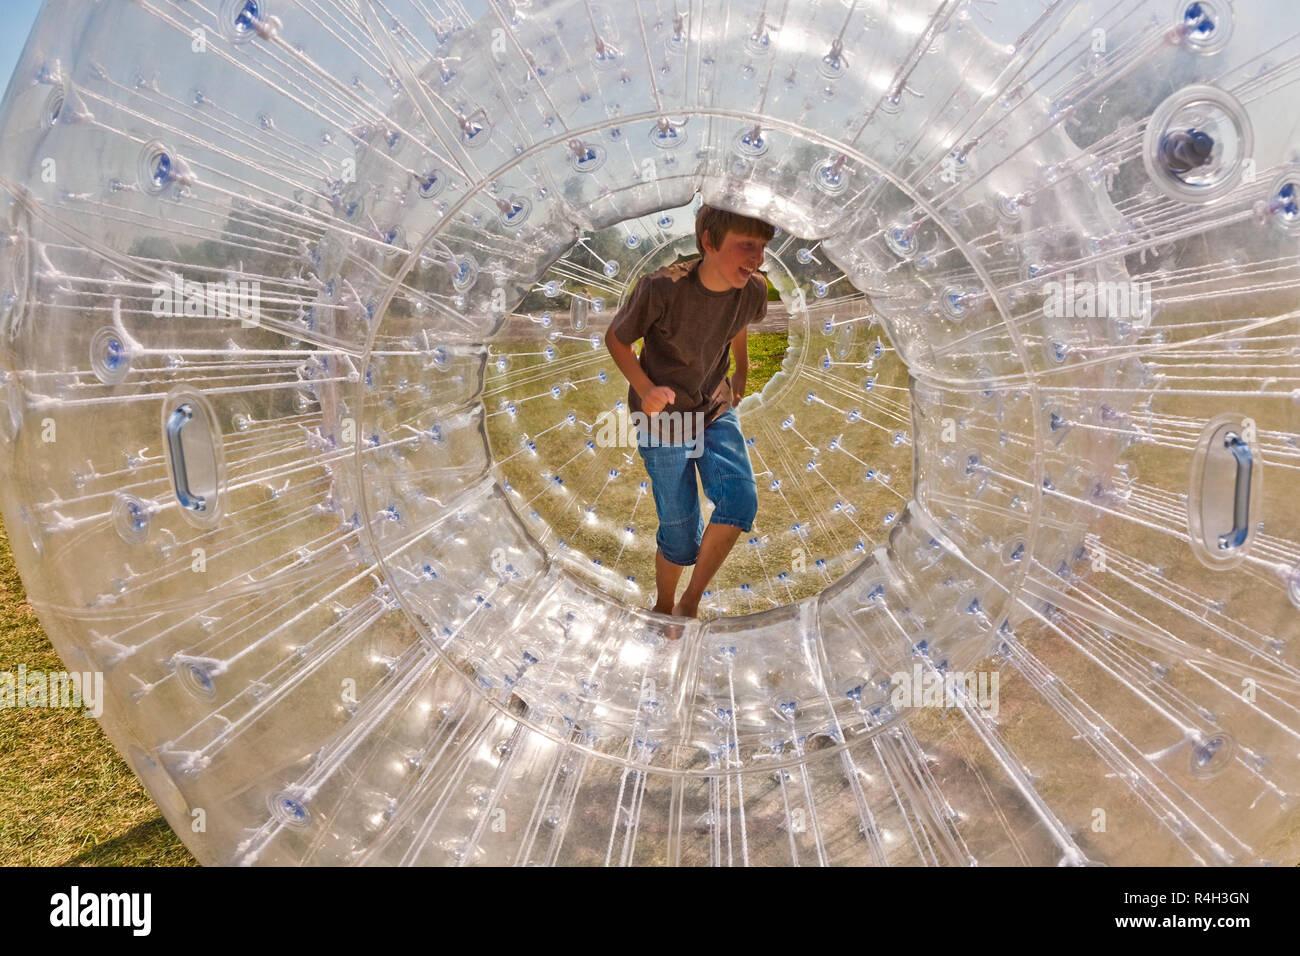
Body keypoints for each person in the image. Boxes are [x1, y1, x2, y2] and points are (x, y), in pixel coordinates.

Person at [604, 203, 774, 619]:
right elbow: (617, 338)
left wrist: (742, 369)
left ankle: (689, 604)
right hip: (662, 421)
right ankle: (663, 605)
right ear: (709, 243)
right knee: (680, 537)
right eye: (747, 244)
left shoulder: (753, 289)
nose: (758, 257)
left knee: (740, 499)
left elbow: (737, 323)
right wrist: (645, 389)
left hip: (712, 406)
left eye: (763, 246)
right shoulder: (661, 289)